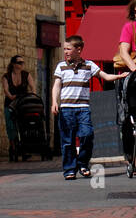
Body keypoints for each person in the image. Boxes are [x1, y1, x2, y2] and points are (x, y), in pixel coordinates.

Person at [51, 39, 125, 180]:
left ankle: (83, 163)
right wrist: (54, 101)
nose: (65, 52)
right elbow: (56, 85)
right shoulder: (61, 66)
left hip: (83, 108)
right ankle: (69, 170)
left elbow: (105, 76)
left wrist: (119, 76)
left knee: (87, 135)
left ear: (78, 49)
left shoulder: (89, 65)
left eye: (68, 49)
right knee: (68, 141)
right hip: (66, 109)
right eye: (65, 49)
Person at [2, 55, 35, 162]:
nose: (21, 64)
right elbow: (6, 90)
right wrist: (11, 96)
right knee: (10, 126)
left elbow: (32, 87)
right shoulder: (6, 77)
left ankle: (24, 148)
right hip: (10, 103)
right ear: (13, 64)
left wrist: (32, 97)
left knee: (24, 125)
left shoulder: (26, 75)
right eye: (19, 62)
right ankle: (13, 147)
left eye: (22, 63)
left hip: (23, 103)